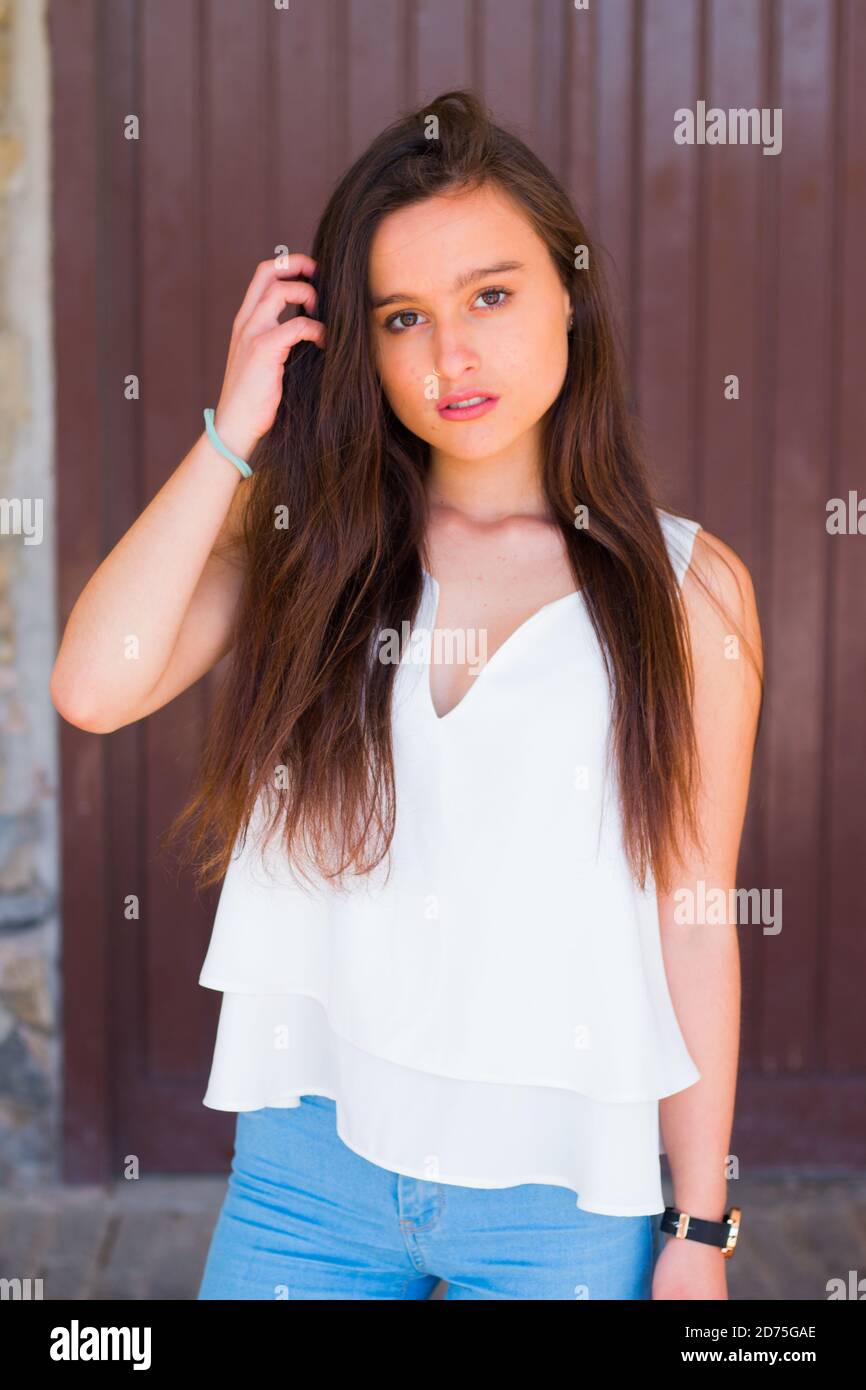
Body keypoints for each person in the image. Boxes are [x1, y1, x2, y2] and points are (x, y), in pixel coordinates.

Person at [50, 89, 763, 1300]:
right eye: (401, 316)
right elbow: (91, 687)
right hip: (307, 1173)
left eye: (490, 295)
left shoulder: (686, 592)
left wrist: (697, 1236)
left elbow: (692, 923)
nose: (451, 355)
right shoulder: (306, 545)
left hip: (561, 1196)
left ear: (568, 299)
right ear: (359, 343)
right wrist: (233, 434)